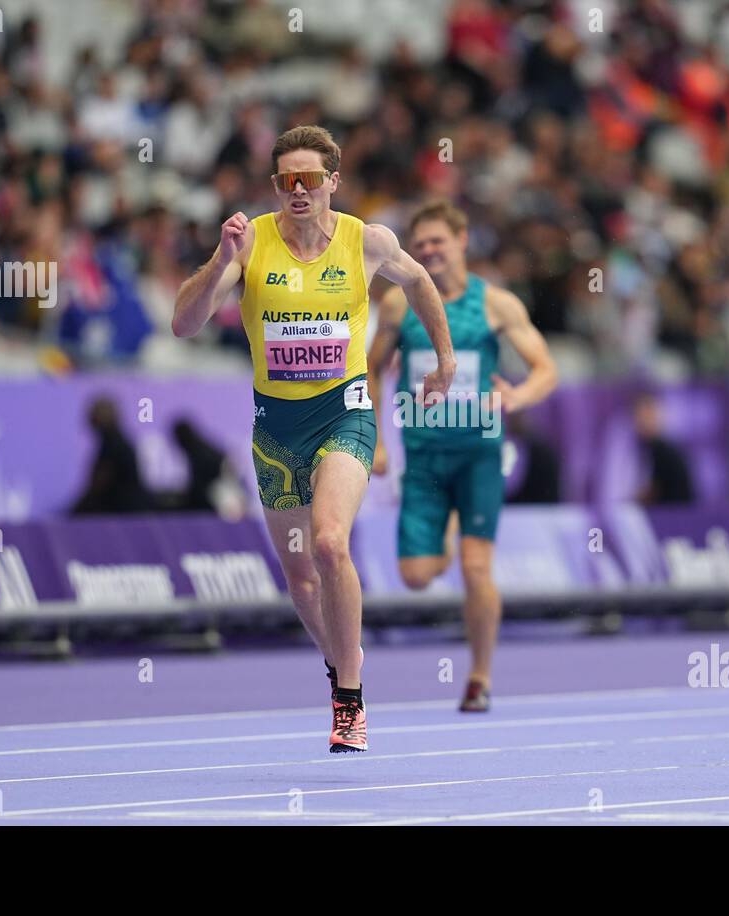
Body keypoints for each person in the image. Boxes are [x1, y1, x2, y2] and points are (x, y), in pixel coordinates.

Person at [173, 126, 455, 752]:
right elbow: (183, 326)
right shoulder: (250, 247)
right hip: (276, 431)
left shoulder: (367, 241)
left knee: (331, 542)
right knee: (301, 579)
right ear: (275, 186)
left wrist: (445, 357)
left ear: (333, 182)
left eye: (309, 179)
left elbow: (419, 283)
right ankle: (339, 666)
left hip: (344, 415)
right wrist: (221, 261)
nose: (297, 190)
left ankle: (350, 700)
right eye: (285, 180)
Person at [366, 200, 557, 712]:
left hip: (479, 455)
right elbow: (369, 372)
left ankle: (479, 676)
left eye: (437, 242)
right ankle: (444, 533)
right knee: (415, 576)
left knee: (477, 568)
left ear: (462, 240)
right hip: (424, 459)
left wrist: (517, 396)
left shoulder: (497, 305)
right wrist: (377, 438)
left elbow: (545, 369)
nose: (428, 251)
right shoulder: (396, 306)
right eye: (420, 244)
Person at [71, 397, 154, 515]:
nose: (90, 418)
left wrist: (78, 510)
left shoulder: (114, 445)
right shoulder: (114, 442)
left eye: (94, 414)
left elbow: (100, 483)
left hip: (121, 512)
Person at [632, 392, 695, 506]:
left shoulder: (664, 452)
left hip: (674, 514)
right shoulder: (648, 450)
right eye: (639, 416)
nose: (642, 421)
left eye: (647, 416)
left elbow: (653, 492)